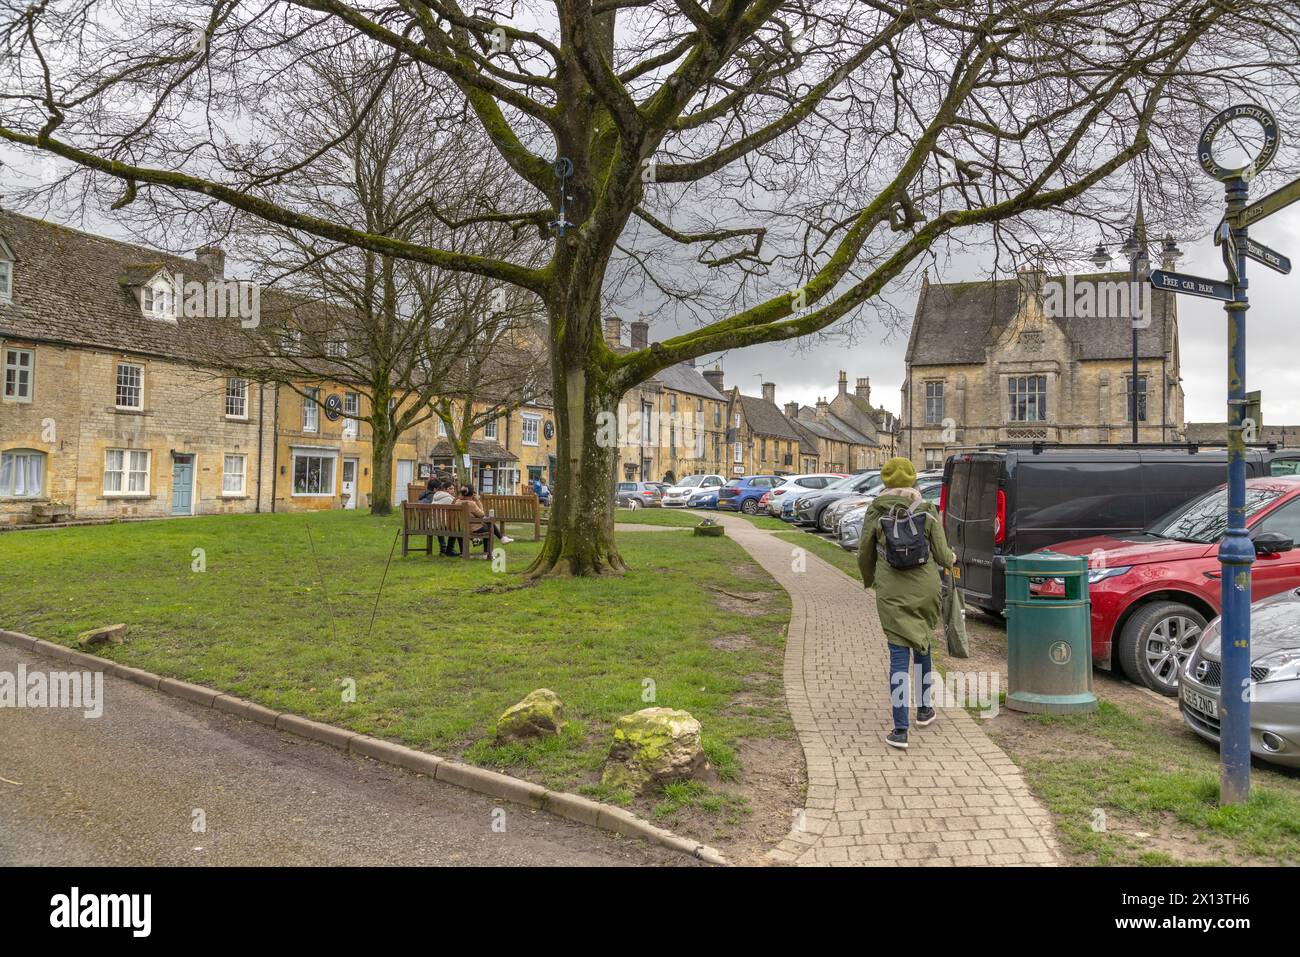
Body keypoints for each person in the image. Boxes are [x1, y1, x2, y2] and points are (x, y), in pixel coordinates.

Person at [857, 457, 955, 751]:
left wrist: (869, 579)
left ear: (885, 481)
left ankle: (900, 730)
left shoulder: (875, 512)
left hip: (891, 589)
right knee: (923, 644)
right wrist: (952, 560)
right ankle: (924, 710)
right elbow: (941, 554)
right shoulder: (927, 509)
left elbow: (864, 554)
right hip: (925, 588)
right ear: (913, 480)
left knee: (899, 654)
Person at [457, 484, 514, 549]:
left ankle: (502, 538)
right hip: (472, 529)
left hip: (461, 528)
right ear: (472, 494)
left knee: (489, 524)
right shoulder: (471, 504)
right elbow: (482, 514)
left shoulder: (457, 502)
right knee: (490, 527)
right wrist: (478, 501)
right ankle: (490, 550)